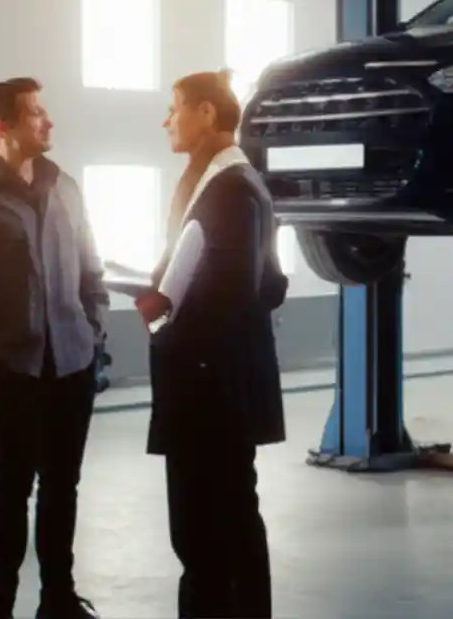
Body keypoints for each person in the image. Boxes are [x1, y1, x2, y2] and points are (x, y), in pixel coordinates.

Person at [0, 77, 108, 619]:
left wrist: (94, 332)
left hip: (72, 365)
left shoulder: (66, 188)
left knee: (63, 486)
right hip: (16, 370)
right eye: (35, 113)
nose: (48, 121)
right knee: (10, 492)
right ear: (4, 125)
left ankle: (57, 597)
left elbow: (89, 268)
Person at [135, 69, 288, 618]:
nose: (166, 119)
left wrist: (155, 312)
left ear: (206, 113)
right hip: (209, 387)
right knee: (222, 524)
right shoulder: (215, 182)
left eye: (175, 106)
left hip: (210, 393)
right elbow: (263, 283)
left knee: (210, 530)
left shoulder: (231, 189)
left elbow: (229, 293)